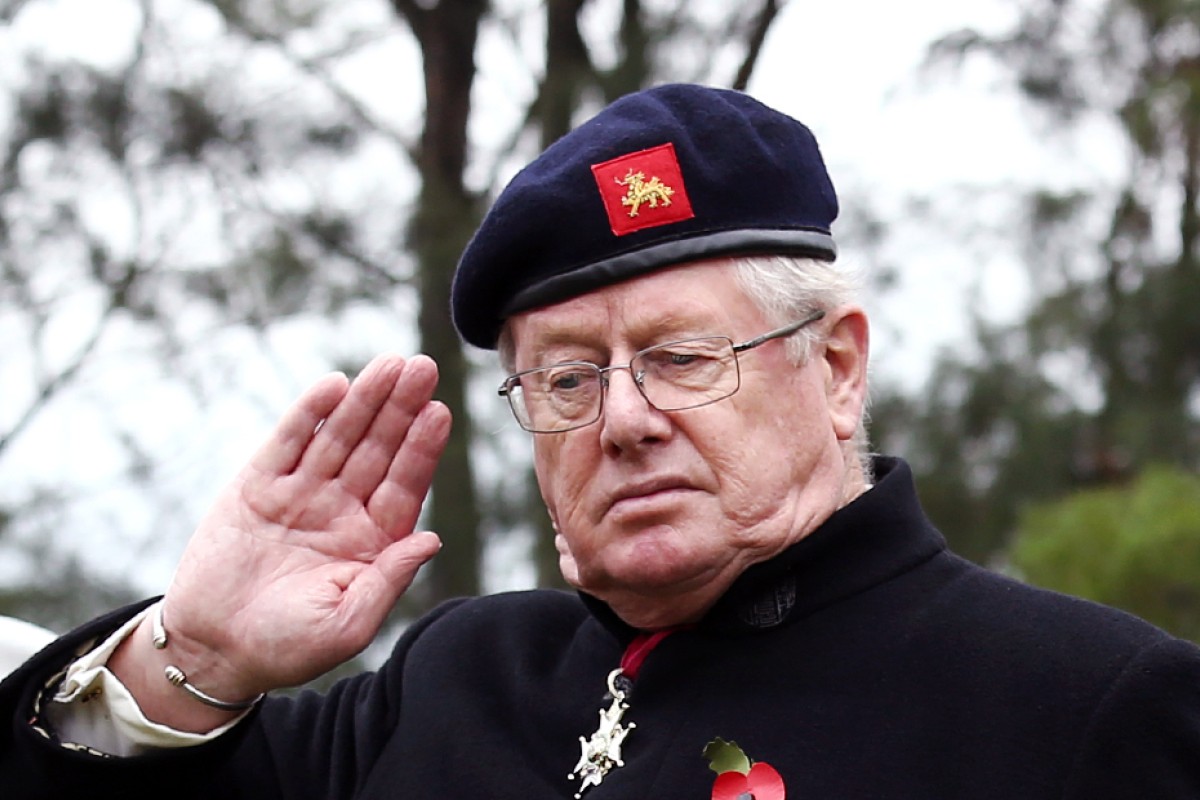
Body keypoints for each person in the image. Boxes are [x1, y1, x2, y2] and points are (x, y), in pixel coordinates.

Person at [1, 83, 1198, 799]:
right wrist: (196, 655)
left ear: (836, 368)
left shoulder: (1081, 704)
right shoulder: (454, 677)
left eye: (683, 357)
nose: (623, 419)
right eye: (568, 376)